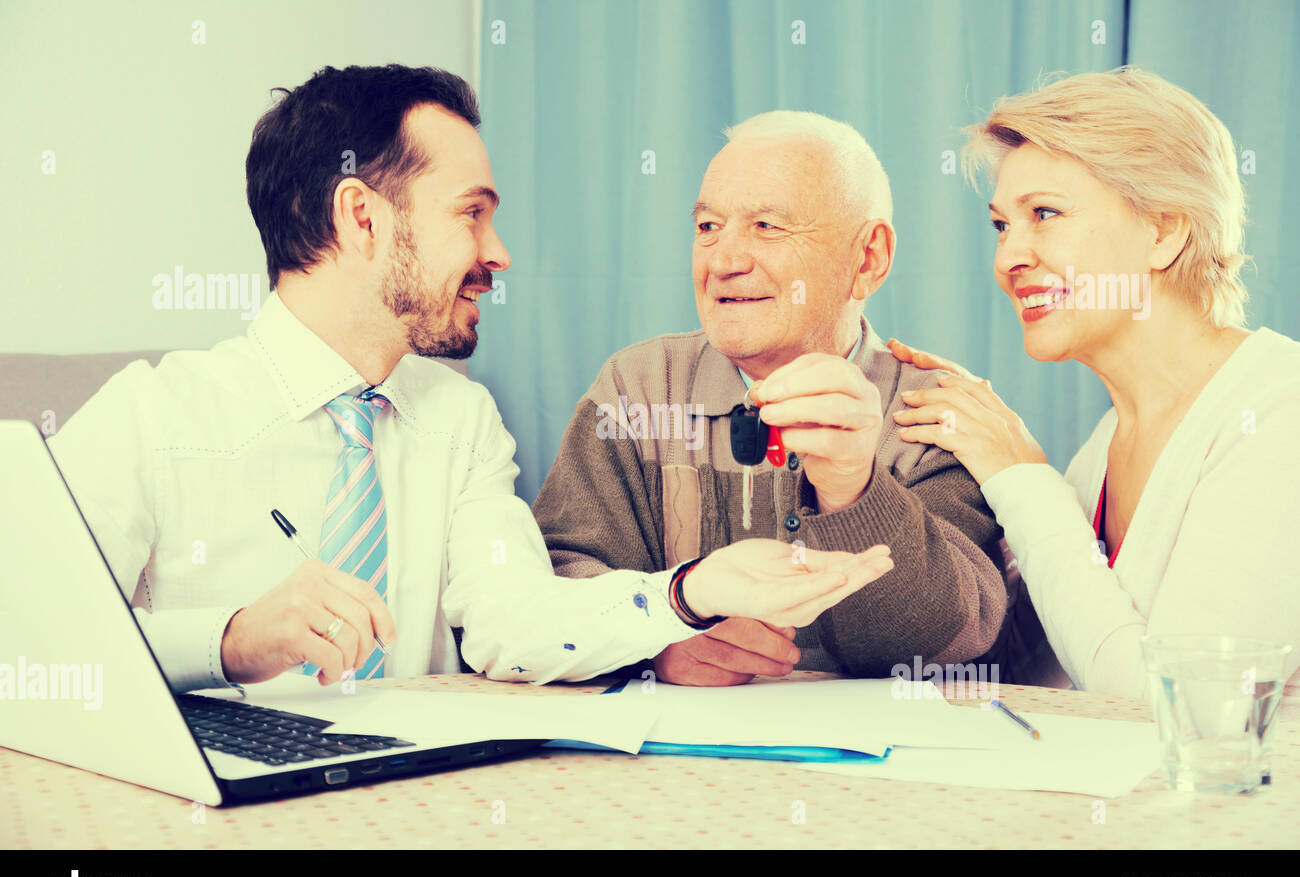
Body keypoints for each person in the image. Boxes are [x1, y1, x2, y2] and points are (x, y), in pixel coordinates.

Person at [48, 65, 894, 693]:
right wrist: (225, 640)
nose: (499, 254)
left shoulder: (459, 423)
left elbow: (516, 624)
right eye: (471, 213)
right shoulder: (150, 416)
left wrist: (692, 590)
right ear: (361, 217)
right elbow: (34, 654)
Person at [533, 111, 1014, 687]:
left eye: (766, 226)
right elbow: (546, 585)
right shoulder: (635, 387)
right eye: (708, 226)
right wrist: (650, 638)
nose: (723, 261)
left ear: (868, 259)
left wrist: (852, 489)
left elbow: (951, 643)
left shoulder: (935, 413)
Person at [889, 67, 1300, 699]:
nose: (1008, 259)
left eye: (1045, 214)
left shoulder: (1279, 411)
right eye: (1002, 225)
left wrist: (1018, 476)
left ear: (1164, 232)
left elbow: (1174, 710)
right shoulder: (1105, 445)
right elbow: (1021, 670)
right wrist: (953, 470)